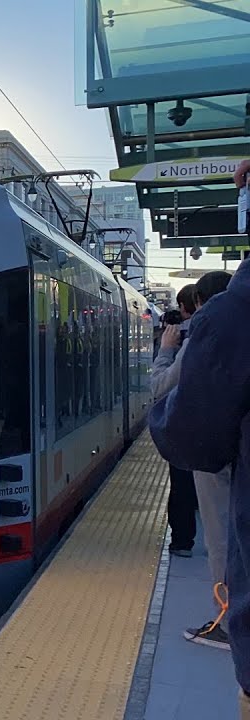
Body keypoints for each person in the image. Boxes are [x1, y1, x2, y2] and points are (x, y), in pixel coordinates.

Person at [148, 256, 250, 711]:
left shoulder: (228, 316)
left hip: (226, 467)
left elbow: (173, 404)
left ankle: (227, 620)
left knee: (225, 533)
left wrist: (168, 350)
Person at [151, 270, 234, 650]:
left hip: (212, 448)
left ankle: (227, 623)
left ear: (199, 303)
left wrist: (166, 349)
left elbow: (159, 387)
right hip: (236, 443)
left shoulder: (206, 328)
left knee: (219, 538)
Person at [157, 284, 199, 558]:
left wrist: (165, 350)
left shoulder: (191, 337)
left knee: (181, 483)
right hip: (221, 426)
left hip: (187, 425)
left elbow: (162, 386)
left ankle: (182, 541)